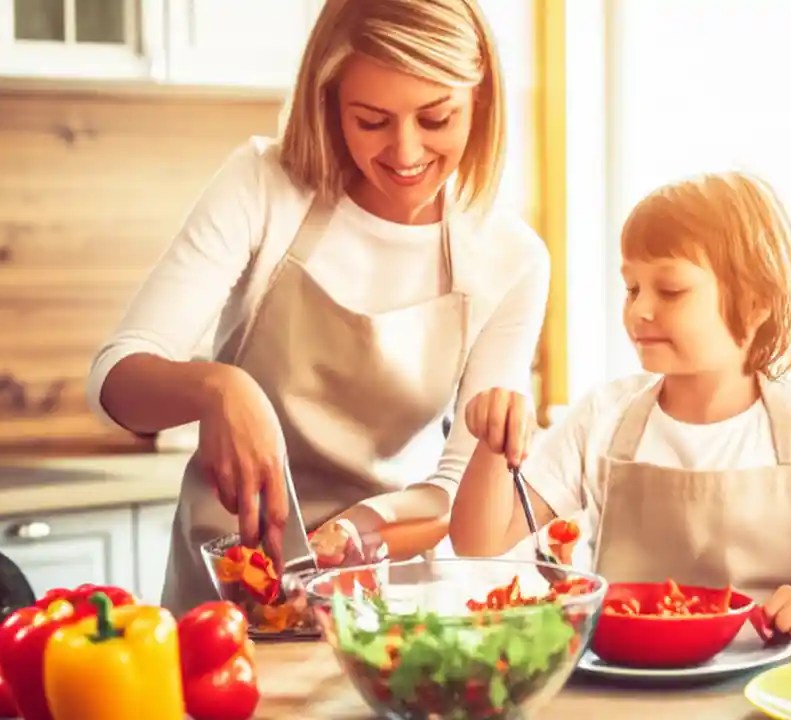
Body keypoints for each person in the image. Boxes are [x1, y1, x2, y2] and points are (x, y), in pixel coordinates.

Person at [87, 0, 549, 616]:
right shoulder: (264, 186)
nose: (406, 151)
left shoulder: (509, 258)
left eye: (436, 119)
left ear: (480, 103)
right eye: (372, 120)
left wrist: (359, 529)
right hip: (224, 602)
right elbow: (115, 380)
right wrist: (217, 389)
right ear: (330, 103)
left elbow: (456, 490)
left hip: (385, 608)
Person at [449, 173, 791, 643]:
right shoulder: (602, 416)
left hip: (758, 693)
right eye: (632, 288)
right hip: (624, 690)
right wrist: (493, 441)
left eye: (670, 290)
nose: (640, 310)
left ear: (756, 303)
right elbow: (479, 543)